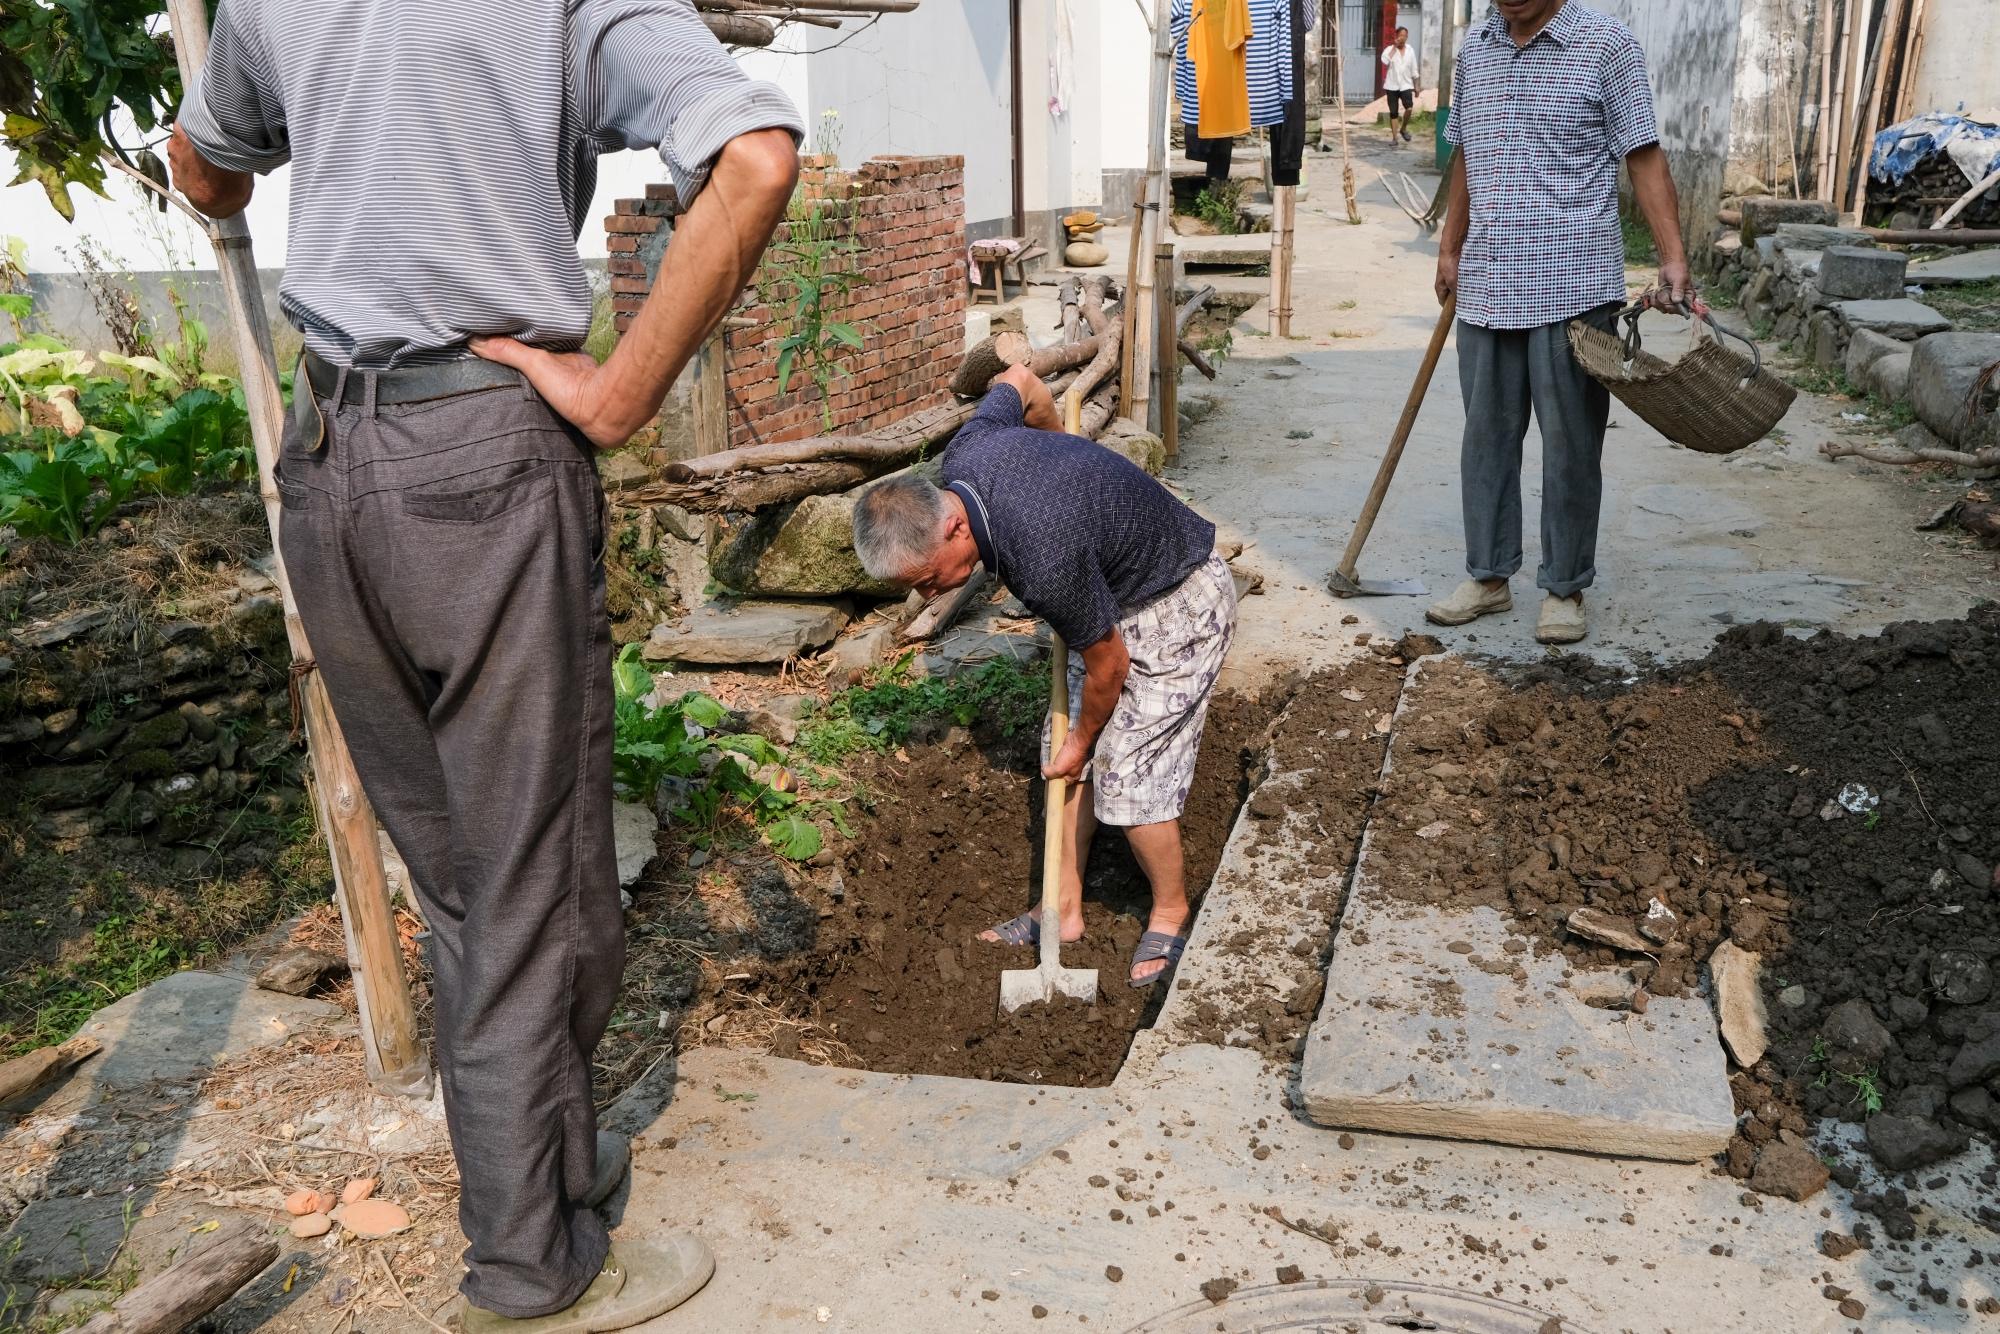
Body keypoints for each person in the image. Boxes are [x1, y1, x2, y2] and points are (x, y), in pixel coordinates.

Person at [168, 2, 801, 1328]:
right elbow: (754, 157)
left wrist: (272, 136)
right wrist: (621, 393)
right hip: (482, 470)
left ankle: (546, 1166)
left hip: (331, 466)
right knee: (529, 887)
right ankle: (531, 1267)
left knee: (464, 881)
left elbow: (204, 165)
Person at [851, 367, 1237, 989]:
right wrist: (1061, 445)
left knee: (1128, 771)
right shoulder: (968, 451)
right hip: (1112, 596)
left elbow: (1110, 664)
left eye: (926, 578)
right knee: (1062, 755)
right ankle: (1061, 909)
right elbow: (1021, 380)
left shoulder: (1041, 556)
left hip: (1177, 603)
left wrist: (1086, 740)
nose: (927, 596)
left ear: (951, 525)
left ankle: (1170, 910)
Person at [1427, 0, 1689, 645]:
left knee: (1572, 445)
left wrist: (1673, 257)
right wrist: (1449, 245)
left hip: (1573, 284)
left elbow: (1645, 156)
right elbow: (1466, 152)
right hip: (1488, 281)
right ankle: (1488, 577)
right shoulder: (1476, 48)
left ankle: (1565, 585)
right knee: (1485, 439)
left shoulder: (1605, 44)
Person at [1381, 26, 1420, 144]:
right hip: (1391, 85)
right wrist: (1394, 47)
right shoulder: (1389, 49)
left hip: (1406, 85)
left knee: (1409, 108)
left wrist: (1416, 86)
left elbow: (1414, 69)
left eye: (1405, 36)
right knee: (1394, 113)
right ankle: (1394, 138)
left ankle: (1403, 129)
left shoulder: (1410, 50)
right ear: (1396, 36)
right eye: (1401, 35)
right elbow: (1385, 61)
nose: (1403, 38)